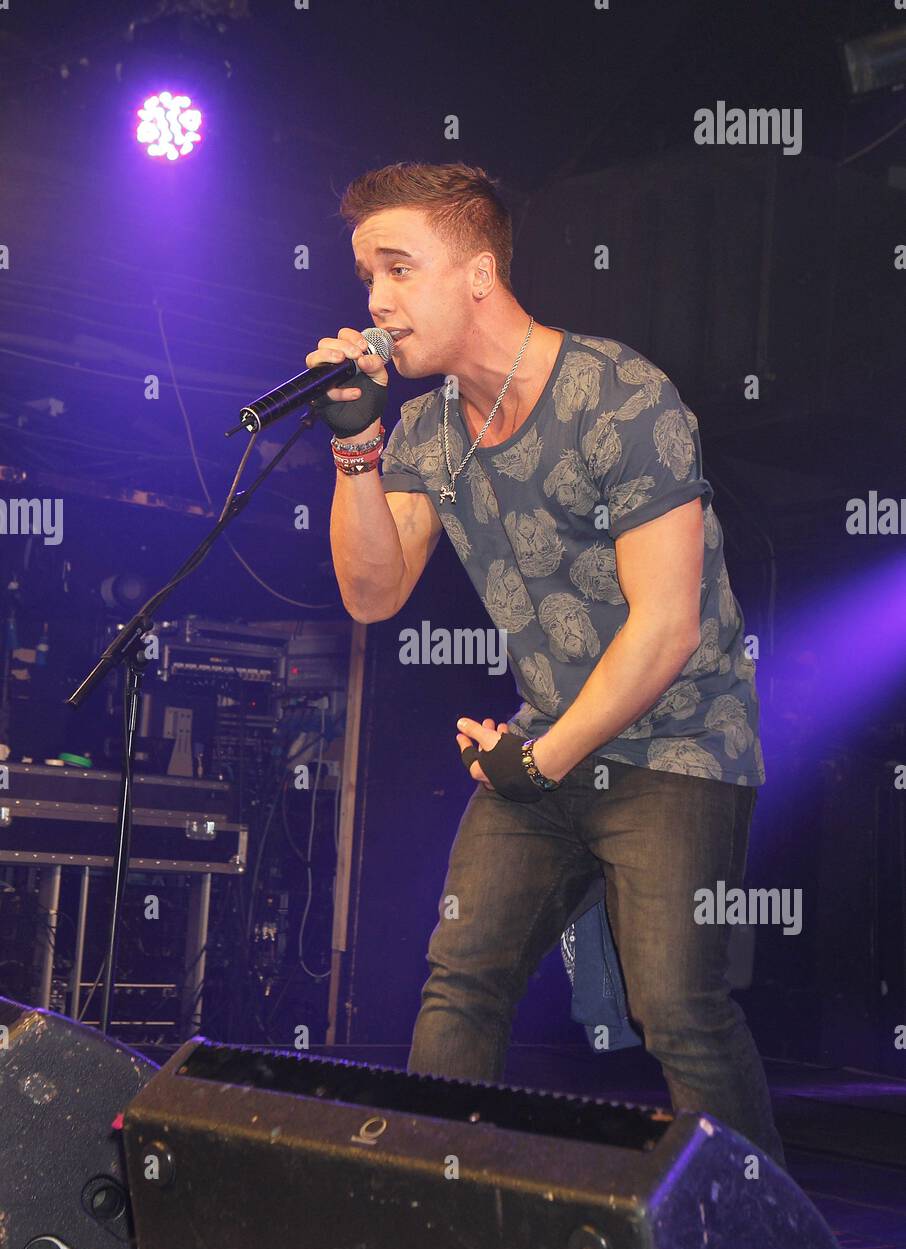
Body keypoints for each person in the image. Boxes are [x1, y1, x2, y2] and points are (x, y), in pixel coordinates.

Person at [313, 161, 785, 1169]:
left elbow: (664, 629)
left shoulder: (622, 396)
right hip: (547, 744)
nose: (376, 303)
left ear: (478, 273)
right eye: (366, 278)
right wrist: (355, 447)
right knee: (462, 976)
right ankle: (422, 1221)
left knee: (678, 1010)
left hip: (677, 742)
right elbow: (372, 593)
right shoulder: (433, 429)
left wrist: (547, 752)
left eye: (399, 268)